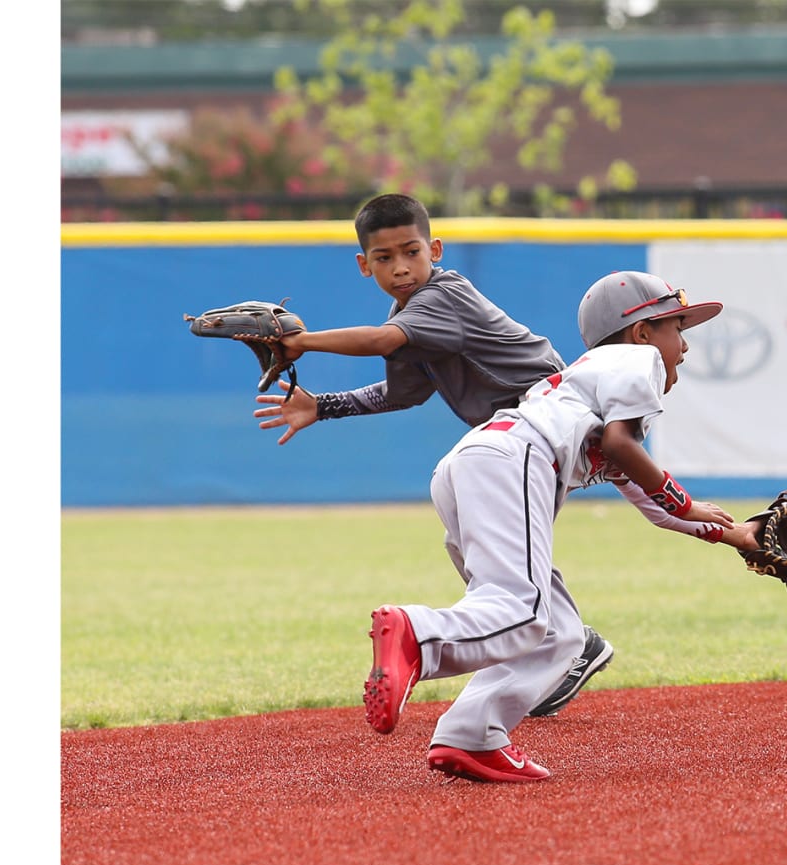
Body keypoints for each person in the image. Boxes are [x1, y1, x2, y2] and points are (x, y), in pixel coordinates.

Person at [363, 270, 761, 783]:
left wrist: (739, 536)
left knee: (557, 633)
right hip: (515, 461)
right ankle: (418, 634)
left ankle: (473, 736)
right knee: (522, 611)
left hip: (474, 465)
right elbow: (623, 448)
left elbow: (650, 498)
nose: (683, 344)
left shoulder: (595, 382)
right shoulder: (637, 362)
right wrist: (683, 501)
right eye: (675, 327)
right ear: (641, 333)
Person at [251, 192, 615, 719]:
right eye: (384, 257)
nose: (400, 267)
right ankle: (570, 642)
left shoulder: (443, 295)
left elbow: (380, 341)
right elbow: (404, 392)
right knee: (481, 548)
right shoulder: (409, 312)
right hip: (517, 440)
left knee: (501, 557)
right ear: (364, 264)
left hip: (551, 424)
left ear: (435, 249)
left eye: (411, 251)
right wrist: (323, 406)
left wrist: (302, 343)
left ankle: (565, 644)